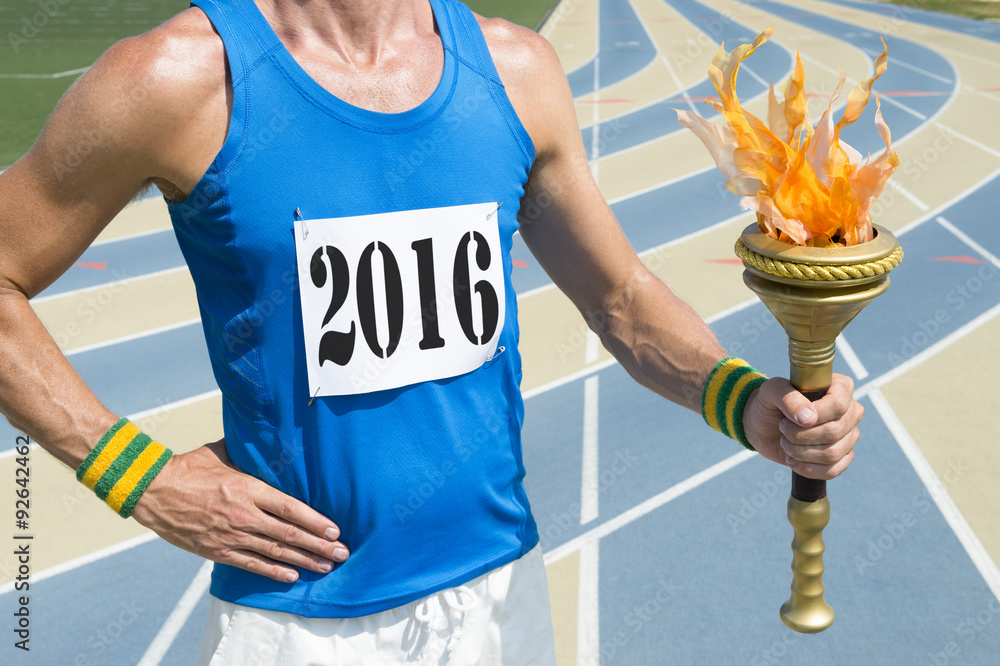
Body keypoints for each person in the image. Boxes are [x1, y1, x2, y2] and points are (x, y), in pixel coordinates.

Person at [0, 0, 863, 663]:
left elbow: (622, 297)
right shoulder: (179, 77)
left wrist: (749, 403)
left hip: (499, 602)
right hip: (296, 626)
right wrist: (137, 478)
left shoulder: (513, 68)